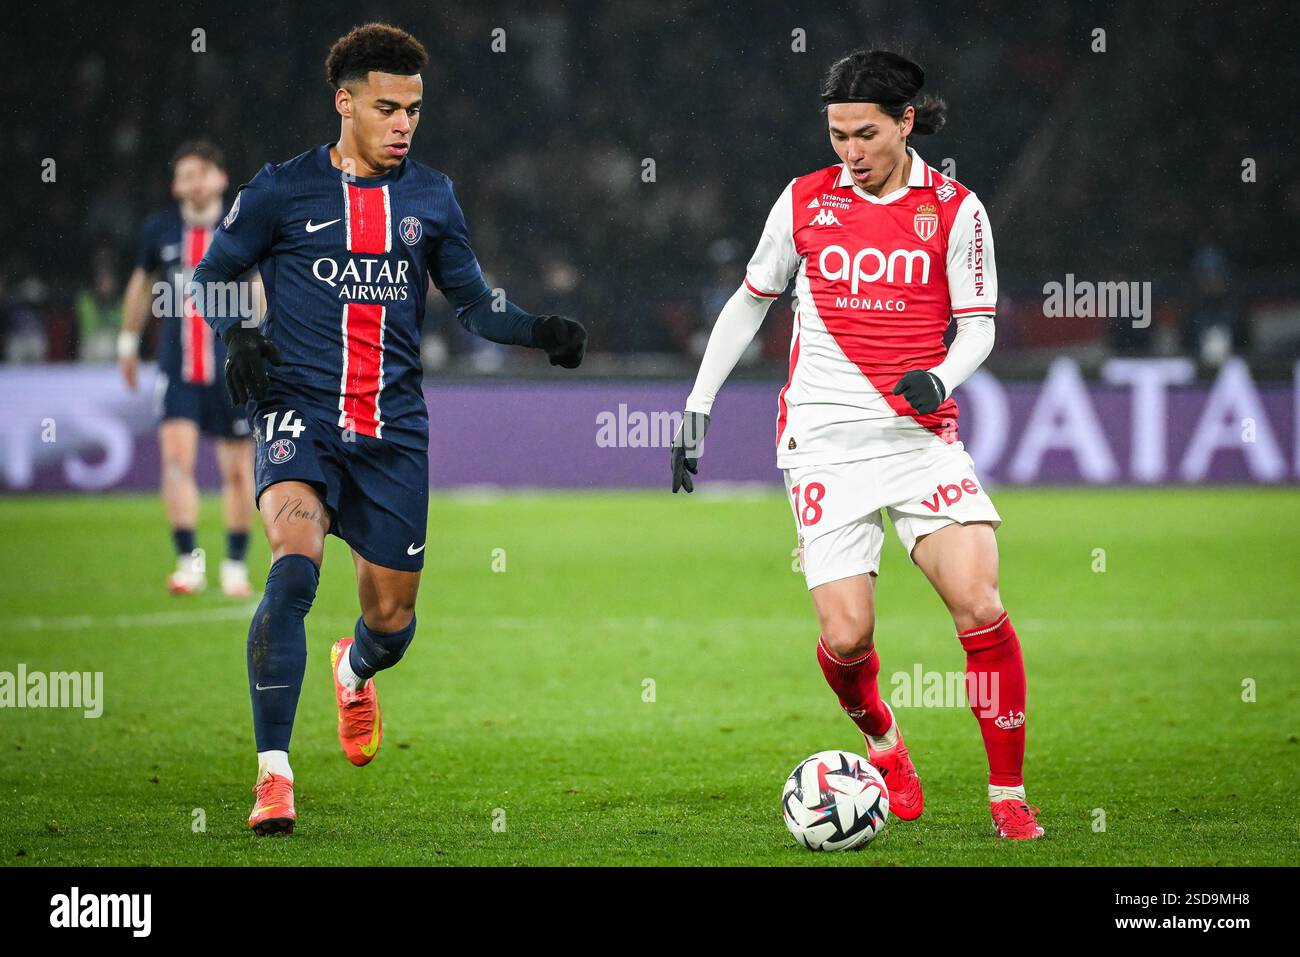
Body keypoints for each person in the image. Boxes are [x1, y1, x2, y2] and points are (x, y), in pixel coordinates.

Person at [192, 22, 587, 835]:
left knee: (391, 622)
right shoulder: (281, 190)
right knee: (292, 576)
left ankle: (356, 669)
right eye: (387, 107)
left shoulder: (431, 198)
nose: (404, 123)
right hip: (298, 412)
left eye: (413, 108)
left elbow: (476, 304)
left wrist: (538, 329)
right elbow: (210, 275)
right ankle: (274, 775)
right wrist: (236, 331)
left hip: (393, 431)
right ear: (345, 104)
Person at [671, 49, 1042, 840]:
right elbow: (749, 301)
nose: (850, 151)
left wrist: (940, 380)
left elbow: (977, 324)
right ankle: (882, 737)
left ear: (907, 122)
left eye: (866, 134)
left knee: (979, 605)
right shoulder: (806, 200)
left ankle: (1007, 796)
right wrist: (698, 403)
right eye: (837, 134)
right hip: (823, 445)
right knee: (847, 636)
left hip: (919, 440)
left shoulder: (956, 209)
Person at [119, 141, 256, 598]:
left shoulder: (240, 227)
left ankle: (235, 565)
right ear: (176, 186)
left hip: (231, 369)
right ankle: (189, 563)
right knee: (177, 462)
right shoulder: (160, 230)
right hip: (177, 368)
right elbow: (141, 286)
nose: (191, 183)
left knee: (238, 471)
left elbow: (258, 287)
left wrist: (258, 343)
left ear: (219, 177)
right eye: (183, 175)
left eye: (200, 173)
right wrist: (126, 341)